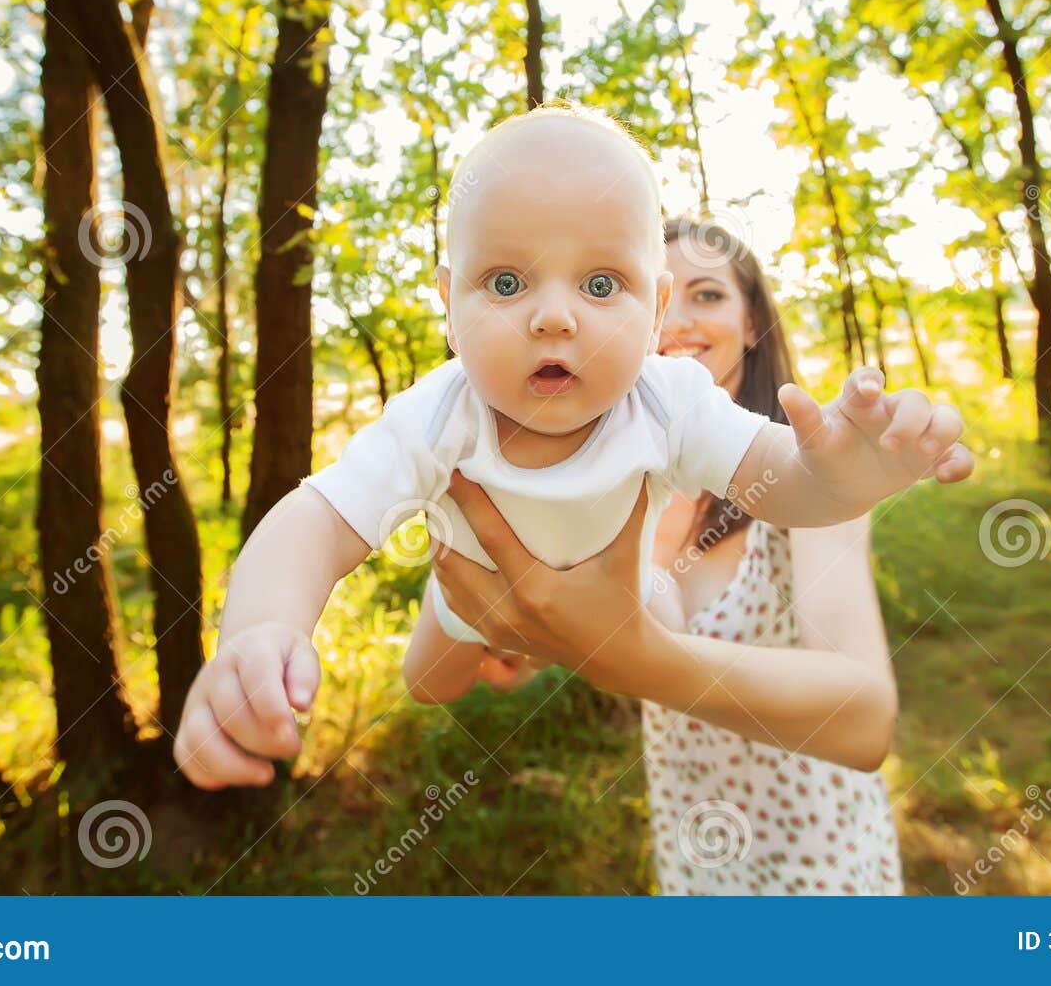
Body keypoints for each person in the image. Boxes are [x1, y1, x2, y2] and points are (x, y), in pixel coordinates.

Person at [173, 102, 970, 789]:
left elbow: (778, 483)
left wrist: (844, 478)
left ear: (651, 313)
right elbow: (314, 519)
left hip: (627, 603)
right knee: (428, 677)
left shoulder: (669, 400)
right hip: (470, 589)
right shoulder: (437, 413)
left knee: (652, 605)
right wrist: (259, 628)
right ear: (448, 302)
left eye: (599, 285)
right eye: (508, 283)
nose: (554, 318)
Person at [429, 217, 955, 893]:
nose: (676, 319)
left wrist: (642, 659)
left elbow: (864, 719)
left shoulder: (805, 473)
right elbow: (483, 660)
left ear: (754, 323)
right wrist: (525, 637)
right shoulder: (609, 479)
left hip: (820, 867)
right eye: (654, 294)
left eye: (708, 295)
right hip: (695, 861)